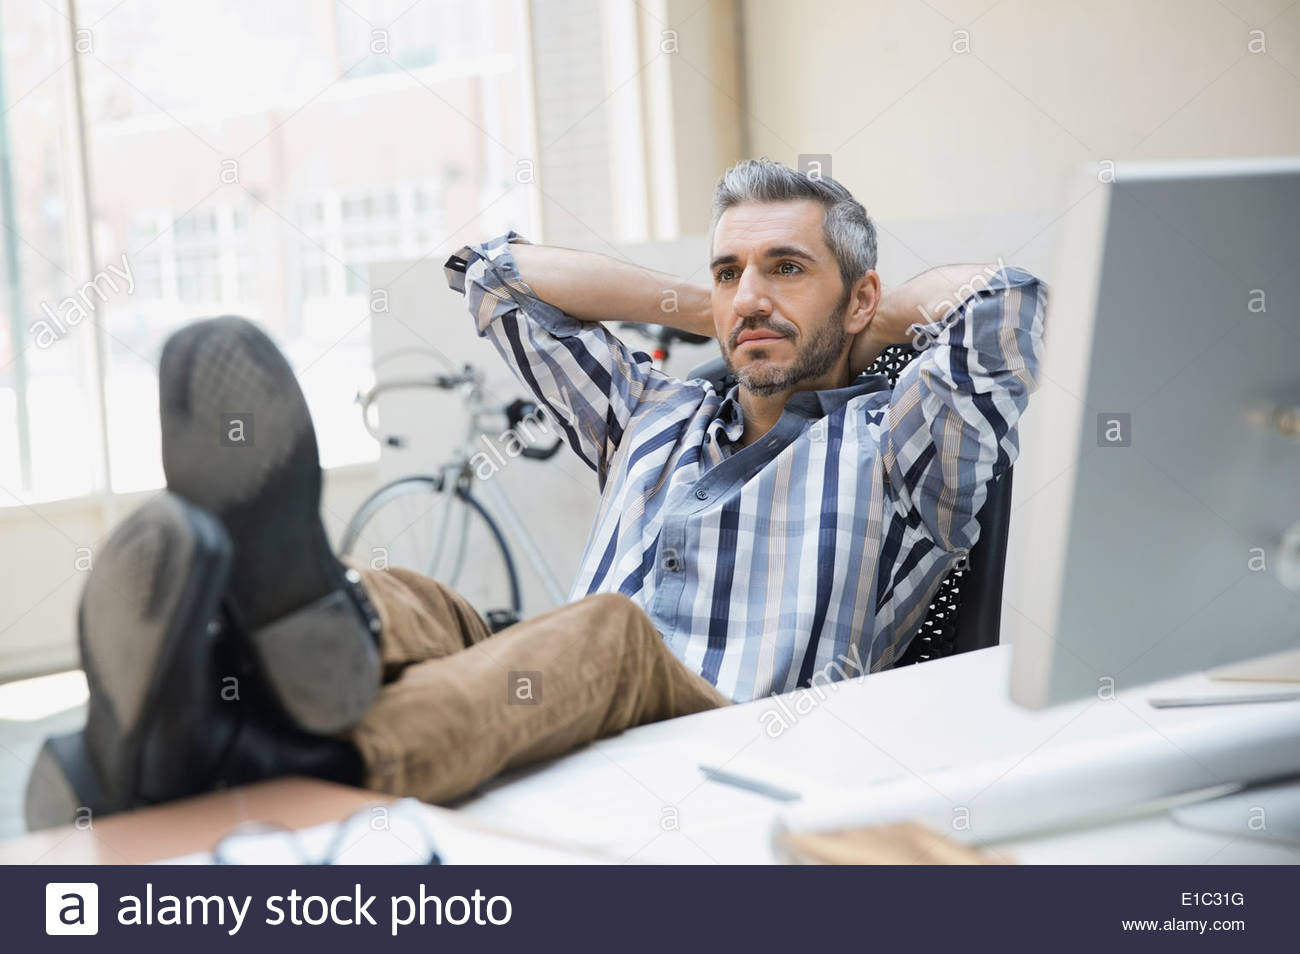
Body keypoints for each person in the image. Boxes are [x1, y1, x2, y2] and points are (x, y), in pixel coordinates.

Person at [25, 159, 1045, 830]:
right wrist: (723, 308)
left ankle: (252, 763)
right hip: (562, 683)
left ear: (860, 298)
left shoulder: (906, 446)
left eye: (786, 268)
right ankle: (194, 712)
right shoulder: (654, 415)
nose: (750, 294)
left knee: (603, 631)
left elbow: (1004, 306)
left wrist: (837, 318)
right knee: (408, 595)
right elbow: (497, 278)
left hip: (720, 730)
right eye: (729, 270)